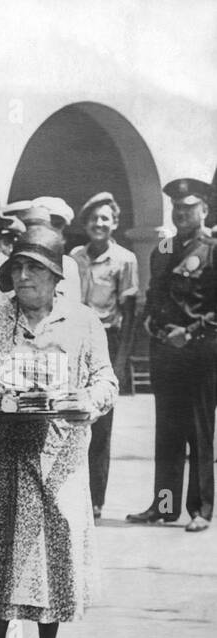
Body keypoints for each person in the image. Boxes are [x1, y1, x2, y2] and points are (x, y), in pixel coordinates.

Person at [0, 225, 117, 638]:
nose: (23, 276)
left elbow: (106, 381)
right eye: (17, 267)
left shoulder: (83, 322)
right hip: (2, 454)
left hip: (60, 457)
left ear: (56, 276)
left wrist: (87, 401)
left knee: (53, 554)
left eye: (34, 268)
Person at [127, 178, 216, 531]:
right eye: (177, 207)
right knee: (167, 432)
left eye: (189, 207)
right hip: (164, 352)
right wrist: (150, 321)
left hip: (198, 353)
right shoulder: (163, 248)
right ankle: (164, 506)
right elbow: (155, 292)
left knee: (199, 431)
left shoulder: (212, 249)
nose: (181, 213)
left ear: (204, 210)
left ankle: (201, 510)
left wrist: (191, 332)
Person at [71, 192, 139, 518]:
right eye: (94, 218)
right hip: (73, 341)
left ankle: (96, 499)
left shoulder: (125, 260)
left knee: (100, 422)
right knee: (70, 417)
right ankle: (73, 492)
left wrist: (121, 362)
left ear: (114, 223)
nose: (99, 224)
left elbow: (129, 317)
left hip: (107, 340)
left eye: (105, 218)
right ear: (85, 224)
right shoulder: (74, 258)